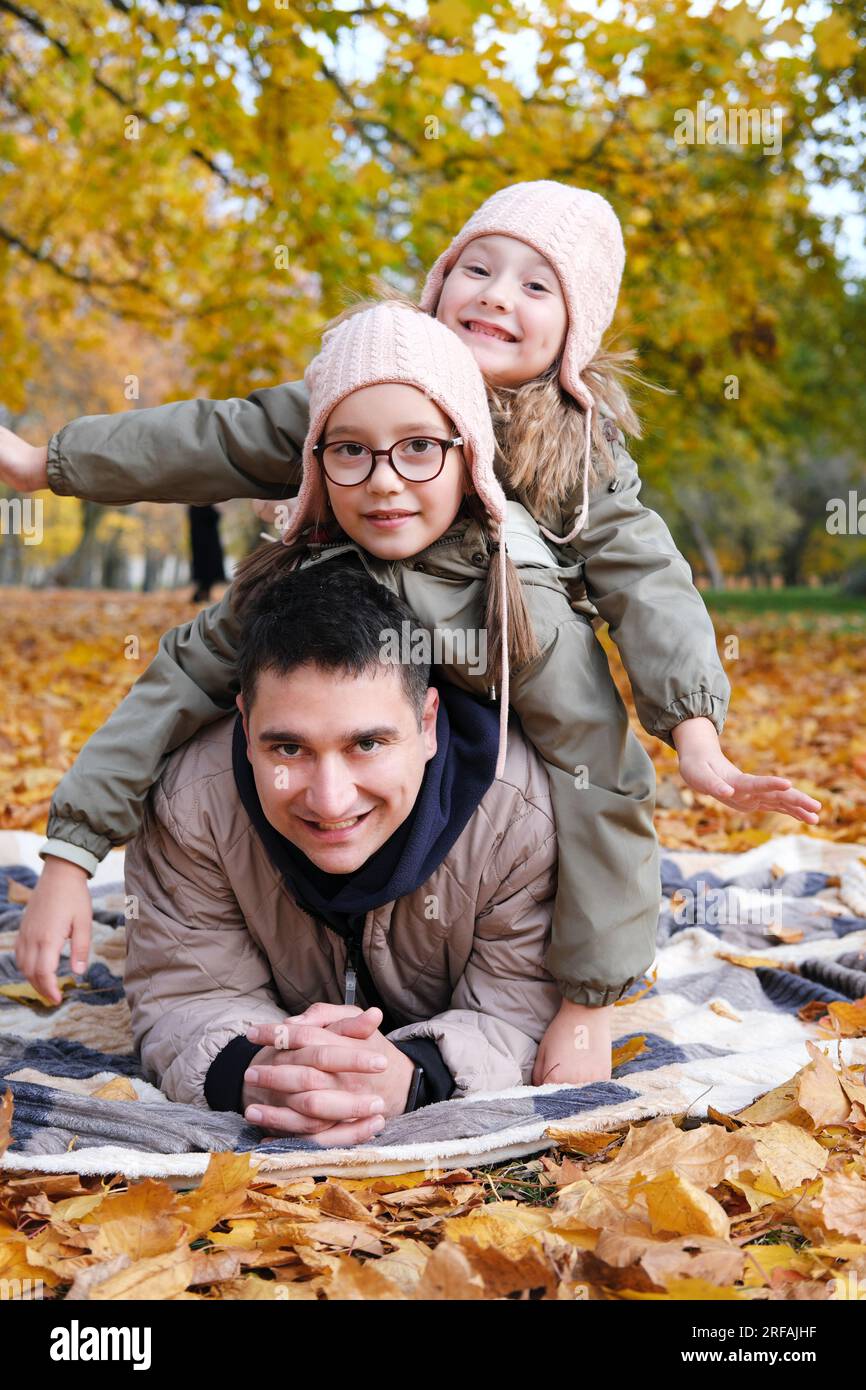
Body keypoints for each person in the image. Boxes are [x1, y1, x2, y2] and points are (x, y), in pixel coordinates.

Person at [6, 183, 820, 1082]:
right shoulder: (359, 383)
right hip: (337, 619)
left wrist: (694, 732)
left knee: (593, 769)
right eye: (476, 266)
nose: (498, 294)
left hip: (501, 637)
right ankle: (263, 937)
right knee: (204, 696)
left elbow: (651, 583)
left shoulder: (577, 458)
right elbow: (216, 438)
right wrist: (51, 464)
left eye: (536, 285)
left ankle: (580, 988)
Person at [123, 562, 562, 1146]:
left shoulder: (519, 813)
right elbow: (185, 992)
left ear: (427, 723)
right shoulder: (191, 803)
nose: (331, 800)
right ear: (245, 724)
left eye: (367, 743)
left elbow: (520, 1010)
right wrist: (258, 1077)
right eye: (288, 747)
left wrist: (411, 1078)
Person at [187, 502, 225, 602]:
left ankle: (203, 594)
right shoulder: (203, 506)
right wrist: (218, 510)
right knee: (207, 572)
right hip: (207, 547)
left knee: (204, 574)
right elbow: (214, 517)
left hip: (200, 547)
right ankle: (202, 595)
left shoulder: (193, 506)